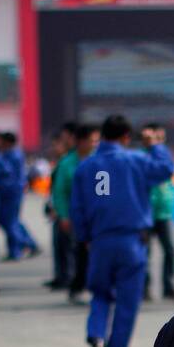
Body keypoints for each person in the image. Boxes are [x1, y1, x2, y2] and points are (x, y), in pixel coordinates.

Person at [70, 115, 174, 347]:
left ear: (102, 135)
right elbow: (166, 169)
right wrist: (155, 144)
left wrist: (84, 238)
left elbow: (77, 208)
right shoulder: (137, 160)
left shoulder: (85, 167)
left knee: (100, 293)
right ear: (127, 137)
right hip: (131, 241)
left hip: (100, 240)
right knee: (127, 303)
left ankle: (96, 334)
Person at [52, 123, 99, 300]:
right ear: (80, 142)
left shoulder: (100, 161)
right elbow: (60, 193)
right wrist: (63, 216)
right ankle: (77, 285)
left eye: (96, 140)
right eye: (91, 140)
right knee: (79, 252)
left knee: (95, 254)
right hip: (76, 216)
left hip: (96, 216)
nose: (95, 144)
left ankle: (92, 286)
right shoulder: (66, 164)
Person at [141, 122, 174, 302]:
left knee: (169, 251)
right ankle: (145, 288)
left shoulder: (164, 154)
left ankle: (168, 286)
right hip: (146, 213)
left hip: (162, 212)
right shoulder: (142, 157)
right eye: (156, 138)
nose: (159, 143)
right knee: (144, 253)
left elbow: (169, 171)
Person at [0, 131, 39, 261]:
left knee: (10, 222)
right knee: (12, 221)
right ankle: (15, 250)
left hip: (11, 193)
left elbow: (8, 175)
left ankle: (27, 243)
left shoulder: (11, 156)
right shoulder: (12, 154)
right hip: (11, 192)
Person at [43, 122, 77, 288]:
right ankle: (61, 276)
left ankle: (69, 277)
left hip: (68, 212)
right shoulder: (64, 161)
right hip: (60, 209)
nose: (55, 146)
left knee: (68, 247)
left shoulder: (74, 161)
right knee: (59, 245)